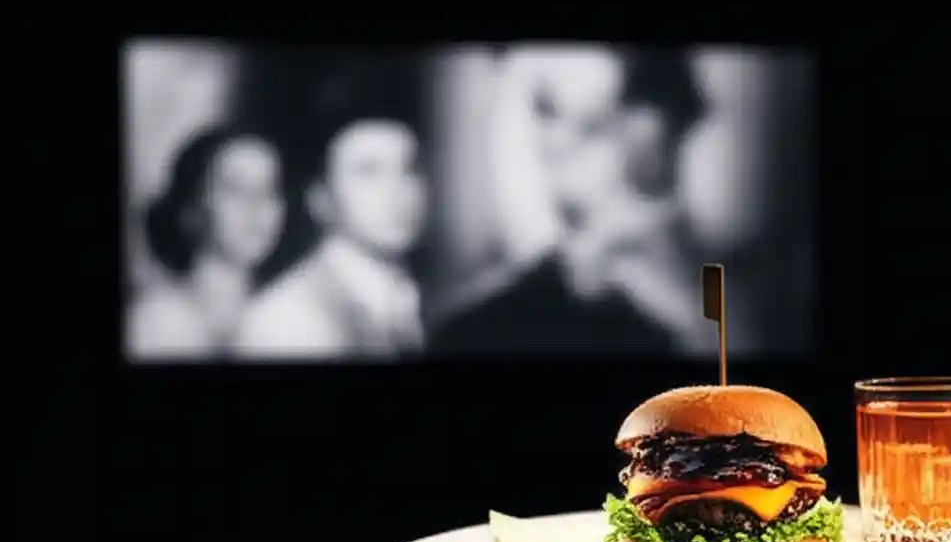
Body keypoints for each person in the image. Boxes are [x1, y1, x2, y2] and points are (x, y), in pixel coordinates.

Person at [428, 47, 713, 356]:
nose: (550, 143)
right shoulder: (471, 332)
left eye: (593, 126)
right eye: (544, 111)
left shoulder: (706, 312)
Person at [234, 113, 429, 358]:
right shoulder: (284, 321)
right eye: (369, 172)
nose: (398, 190)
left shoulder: (409, 299)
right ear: (321, 198)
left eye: (410, 168)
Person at [127, 127, 286, 360]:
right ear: (190, 208)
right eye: (235, 188)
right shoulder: (151, 325)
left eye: (269, 188)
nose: (258, 205)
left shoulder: (286, 319)